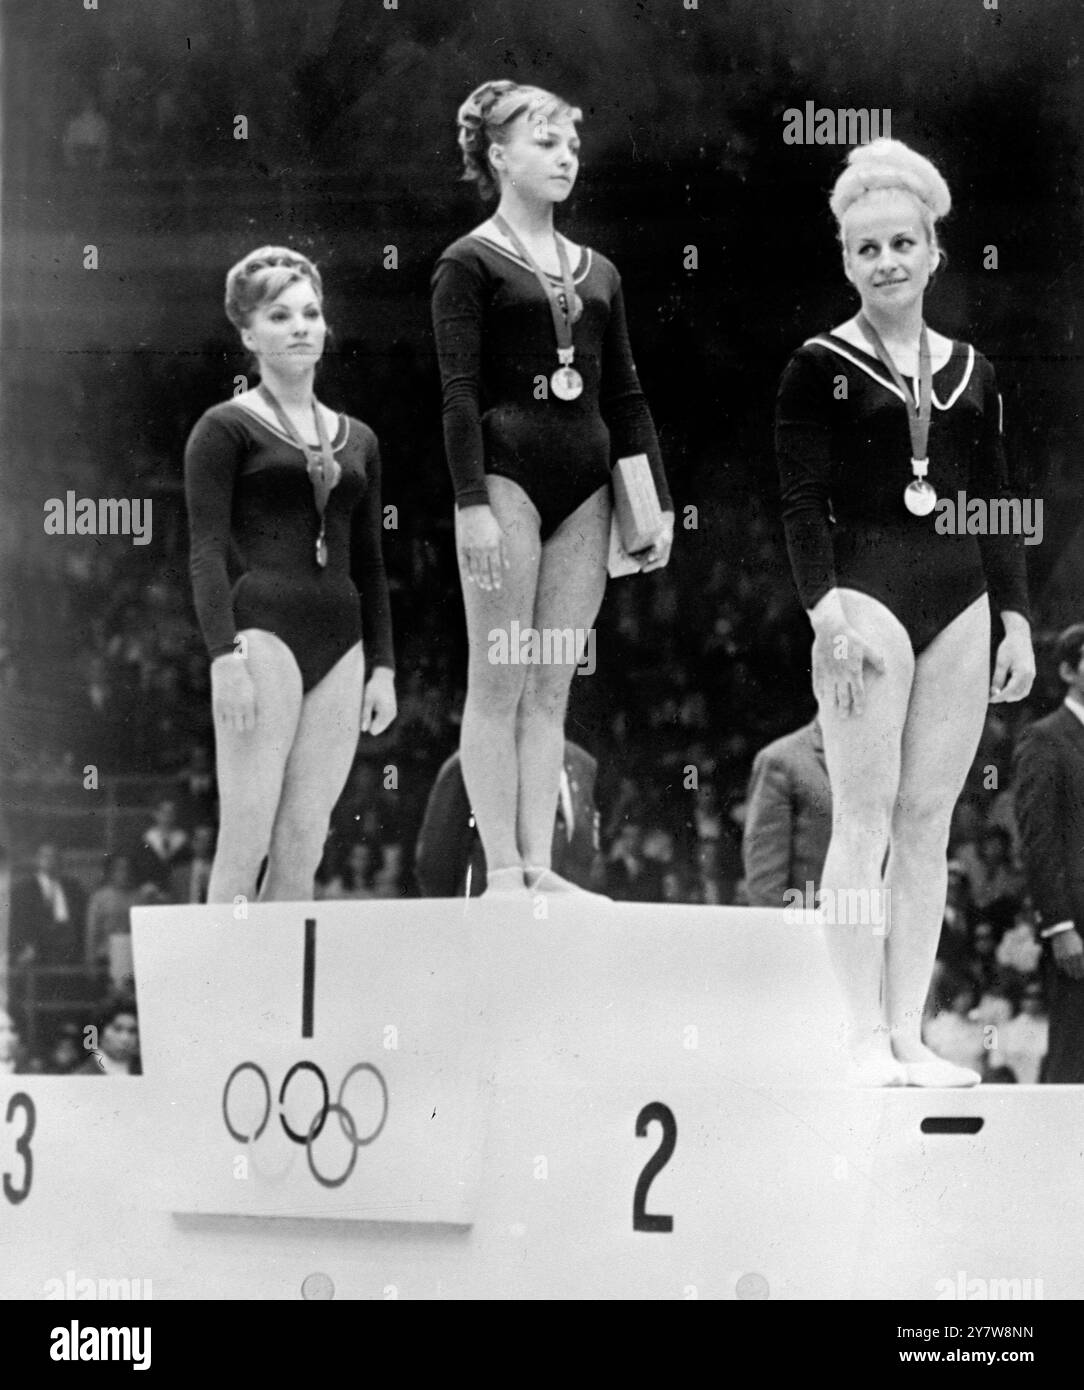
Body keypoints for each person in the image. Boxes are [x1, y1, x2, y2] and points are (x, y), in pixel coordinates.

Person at [774, 139, 1034, 1086]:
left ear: (934, 253)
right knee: (864, 818)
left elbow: (997, 499)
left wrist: (1015, 617)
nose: (886, 261)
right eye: (867, 248)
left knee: (929, 827)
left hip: (960, 598)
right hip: (863, 598)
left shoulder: (975, 373)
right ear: (846, 261)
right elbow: (800, 504)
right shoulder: (816, 366)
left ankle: (906, 1033)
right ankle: (853, 1037)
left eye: (902, 244)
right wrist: (823, 615)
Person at [431, 80, 674, 898]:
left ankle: (537, 866)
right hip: (507, 478)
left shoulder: (598, 270)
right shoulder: (467, 263)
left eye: (571, 142)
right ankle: (500, 867)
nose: (565, 154)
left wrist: (658, 499)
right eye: (545, 141)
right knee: (499, 677)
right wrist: (470, 506)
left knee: (551, 687)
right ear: (498, 156)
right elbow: (458, 395)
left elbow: (628, 392)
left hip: (588, 487)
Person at [185, 247, 397, 904]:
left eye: (311, 313)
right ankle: (218, 1005)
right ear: (249, 334)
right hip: (262, 634)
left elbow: (370, 561)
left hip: (343, 644)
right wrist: (224, 658)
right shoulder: (225, 428)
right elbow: (205, 552)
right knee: (246, 839)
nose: (301, 326)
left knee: (304, 843)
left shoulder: (357, 437)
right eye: (280, 316)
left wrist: (385, 666)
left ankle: (278, 1008)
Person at [1013, 622, 1084, 1082]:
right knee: (1073, 1052)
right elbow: (1039, 841)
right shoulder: (1045, 738)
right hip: (1077, 921)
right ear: (1067, 670)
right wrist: (1059, 926)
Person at [415, 740, 601, 897]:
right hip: (487, 915)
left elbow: (587, 854)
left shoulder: (582, 763)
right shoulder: (468, 763)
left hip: (565, 918)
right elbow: (435, 863)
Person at [742, 716, 832, 907]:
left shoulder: (893, 755)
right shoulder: (781, 760)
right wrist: (776, 934)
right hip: (808, 925)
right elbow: (766, 883)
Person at [76, 998, 140, 1076]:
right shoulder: (83, 1074)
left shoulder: (142, 1068)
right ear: (100, 1032)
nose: (125, 1038)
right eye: (117, 1029)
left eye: (132, 1031)